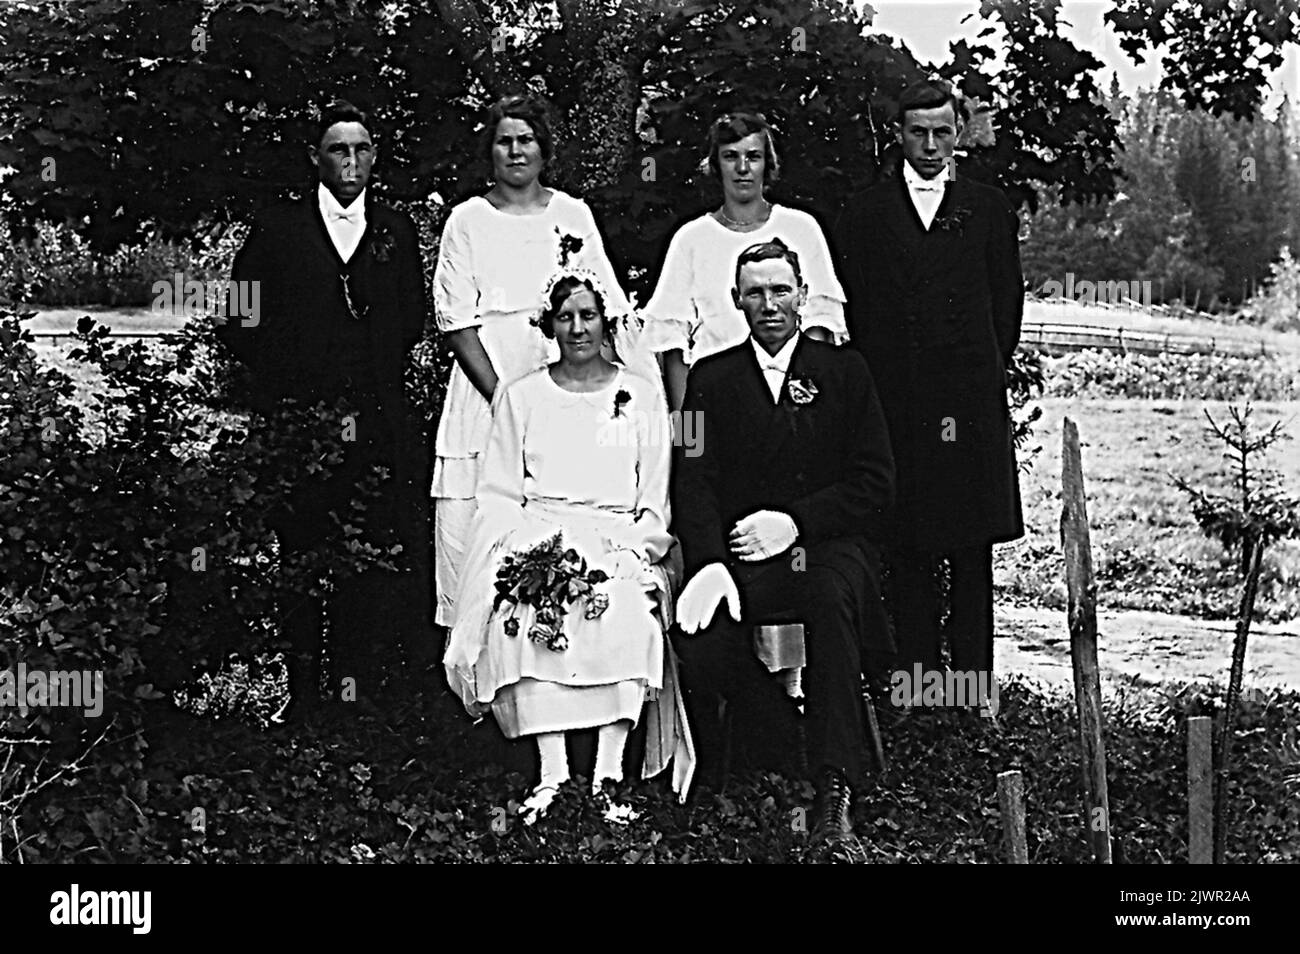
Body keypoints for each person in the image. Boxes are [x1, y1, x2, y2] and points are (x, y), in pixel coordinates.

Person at [444, 270, 693, 822]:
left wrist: (632, 548)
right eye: (565, 317)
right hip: (539, 531)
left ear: (607, 321)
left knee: (624, 609)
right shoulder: (520, 394)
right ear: (548, 324)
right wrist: (524, 551)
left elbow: (654, 497)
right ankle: (553, 773)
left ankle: (606, 777)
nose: (578, 328)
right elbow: (502, 491)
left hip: (617, 535)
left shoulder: (642, 394)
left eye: (588, 315)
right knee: (529, 605)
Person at [671, 238, 894, 841]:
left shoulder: (846, 371)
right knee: (701, 628)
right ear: (735, 300)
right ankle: (767, 739)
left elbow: (875, 482)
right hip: (742, 552)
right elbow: (691, 480)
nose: (769, 304)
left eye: (780, 290)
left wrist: (796, 521)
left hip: (827, 545)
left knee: (829, 597)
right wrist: (711, 563)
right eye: (755, 293)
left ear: (802, 295)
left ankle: (834, 786)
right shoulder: (709, 379)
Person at [217, 99, 429, 720]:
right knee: (302, 553)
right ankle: (302, 694)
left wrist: (372, 371)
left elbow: (410, 317)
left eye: (362, 149)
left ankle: (355, 693)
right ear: (317, 158)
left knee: (365, 554)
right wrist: (291, 378)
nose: (352, 161)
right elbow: (241, 317)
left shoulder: (395, 229)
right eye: (339, 149)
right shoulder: (279, 227)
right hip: (298, 424)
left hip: (375, 421)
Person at [832, 79, 1024, 695]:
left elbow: (1006, 311)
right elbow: (856, 310)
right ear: (898, 134)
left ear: (960, 133)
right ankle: (916, 687)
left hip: (968, 406)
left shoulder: (989, 208)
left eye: (944, 131)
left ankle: (971, 692)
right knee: (908, 545)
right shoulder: (864, 214)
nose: (932, 144)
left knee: (971, 552)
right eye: (919, 132)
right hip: (895, 408)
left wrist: (971, 374)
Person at [432, 93, 637, 630]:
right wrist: (504, 399)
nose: (516, 151)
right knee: (476, 517)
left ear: (543, 149)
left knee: (559, 517)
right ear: (490, 151)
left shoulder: (572, 214)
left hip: (564, 380)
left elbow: (604, 308)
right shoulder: (467, 220)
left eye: (526, 140)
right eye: (505, 141)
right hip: (489, 390)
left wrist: (618, 398)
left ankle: (558, 655)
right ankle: (474, 667)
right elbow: (456, 321)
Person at [642, 112, 849, 411]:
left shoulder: (801, 229)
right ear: (716, 165)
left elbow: (820, 325)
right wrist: (688, 437)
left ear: (768, 163)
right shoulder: (691, 239)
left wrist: (810, 409)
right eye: (730, 157)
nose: (742, 168)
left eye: (753, 156)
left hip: (791, 399)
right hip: (717, 402)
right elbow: (674, 346)